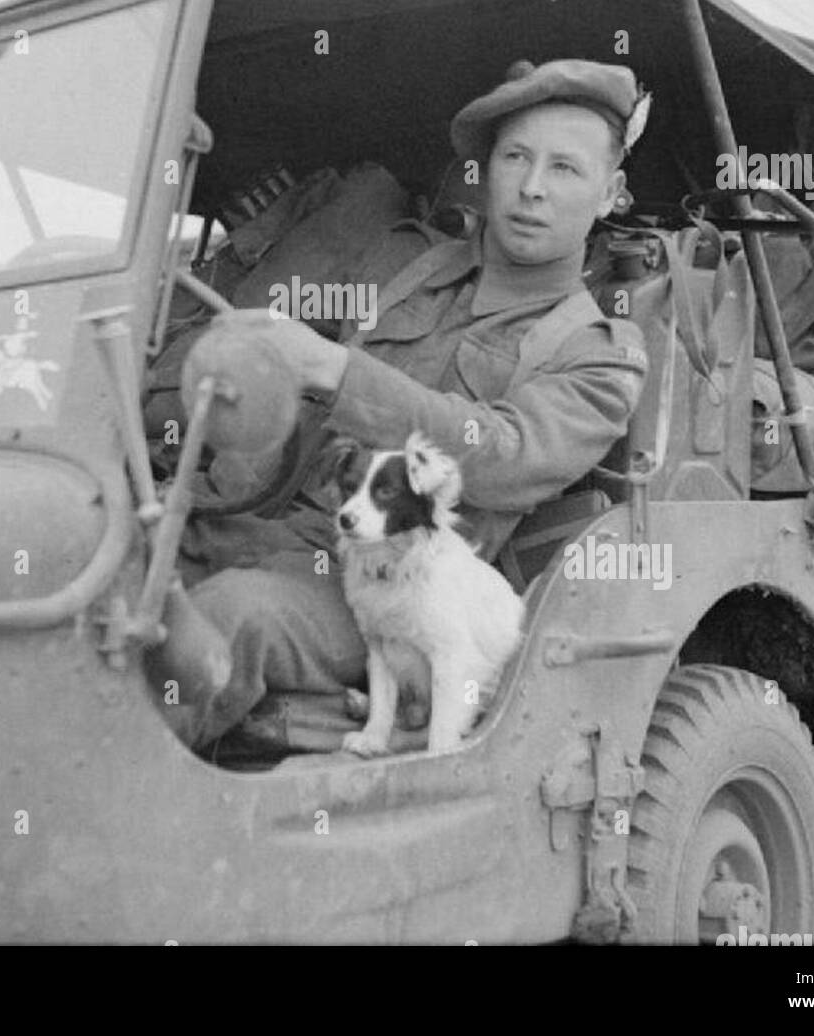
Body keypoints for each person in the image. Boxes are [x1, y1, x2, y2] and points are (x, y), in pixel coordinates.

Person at [163, 58, 650, 750]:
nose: (532, 188)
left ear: (611, 193)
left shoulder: (601, 354)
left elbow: (500, 455)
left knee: (215, 628)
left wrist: (334, 367)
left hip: (386, 590)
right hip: (255, 526)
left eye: (565, 169)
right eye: (515, 158)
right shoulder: (407, 265)